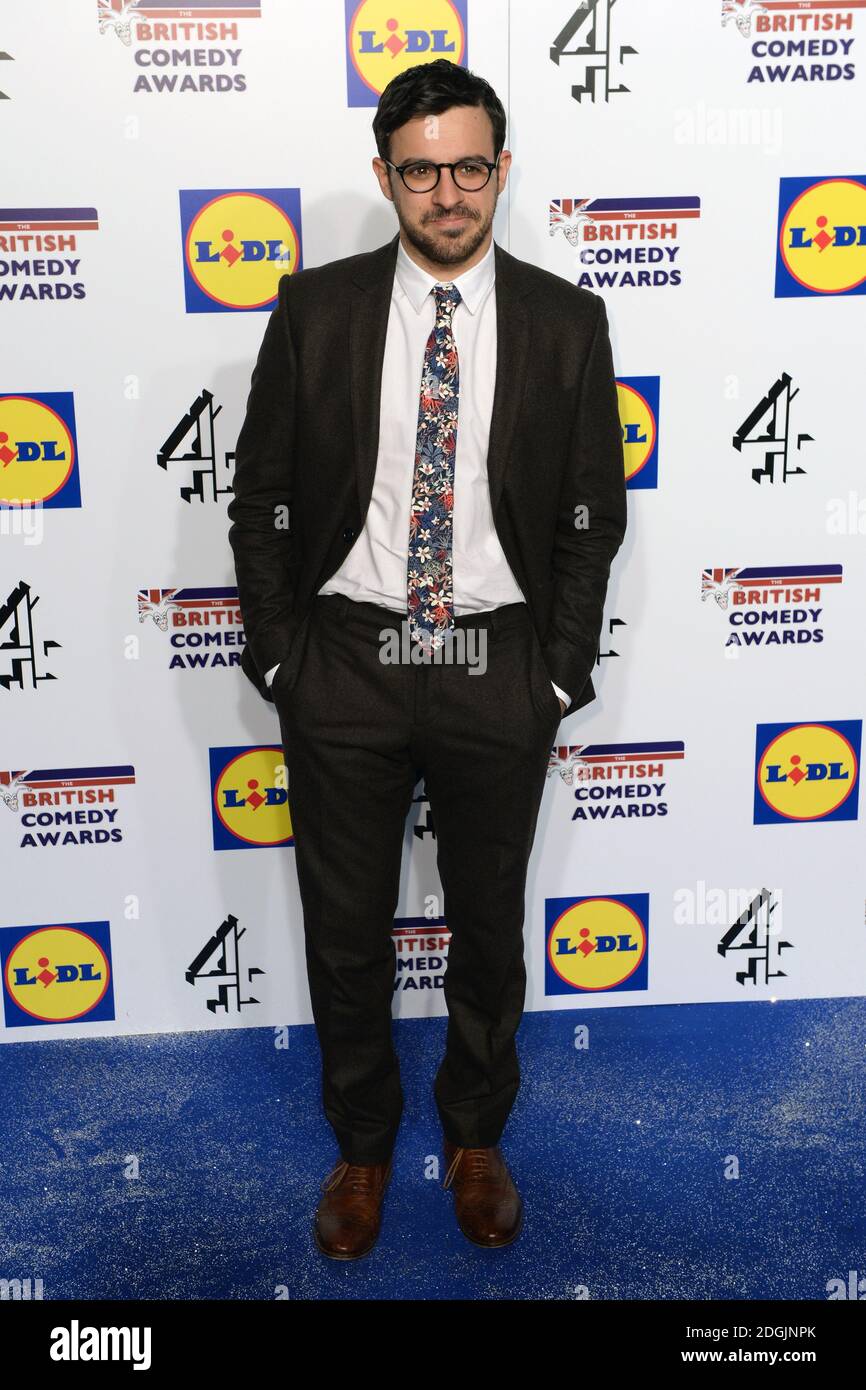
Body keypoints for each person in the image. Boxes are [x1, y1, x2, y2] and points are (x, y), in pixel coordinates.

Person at [227, 57, 627, 1260]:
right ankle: (360, 1145)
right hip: (346, 659)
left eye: (466, 168)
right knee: (344, 929)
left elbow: (588, 509)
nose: (445, 194)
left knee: (488, 927)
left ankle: (473, 1135)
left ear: (499, 170)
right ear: (384, 176)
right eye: (419, 171)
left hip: (495, 663)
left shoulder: (565, 320)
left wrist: (553, 672)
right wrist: (284, 659)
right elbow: (262, 500)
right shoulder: (316, 309)